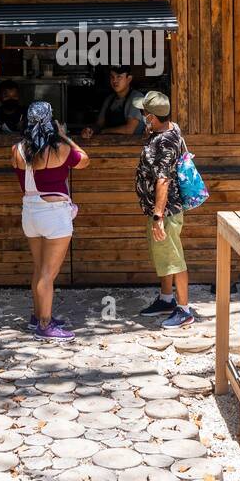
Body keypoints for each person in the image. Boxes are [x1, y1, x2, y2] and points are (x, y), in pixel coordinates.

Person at [11, 101, 90, 341]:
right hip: (54, 215)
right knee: (48, 274)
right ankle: (45, 326)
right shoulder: (60, 149)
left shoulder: (16, 149)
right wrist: (66, 137)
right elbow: (85, 160)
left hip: (30, 213)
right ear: (50, 121)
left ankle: (38, 316)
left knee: (39, 269)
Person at [133, 91, 194, 328]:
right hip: (158, 209)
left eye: (144, 114)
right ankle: (167, 299)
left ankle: (185, 310)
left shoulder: (165, 142)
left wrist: (158, 215)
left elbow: (163, 179)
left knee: (174, 258)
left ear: (151, 117)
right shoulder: (167, 129)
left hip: (166, 211)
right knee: (164, 257)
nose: (141, 117)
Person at [81, 66, 144, 137]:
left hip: (132, 146)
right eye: (112, 77)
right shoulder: (109, 99)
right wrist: (90, 130)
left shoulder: (137, 98)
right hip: (110, 145)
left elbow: (129, 130)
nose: (114, 81)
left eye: (119, 77)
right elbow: (99, 125)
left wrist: (104, 131)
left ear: (129, 79)